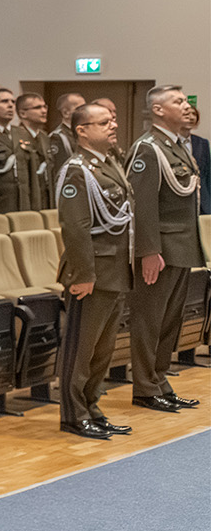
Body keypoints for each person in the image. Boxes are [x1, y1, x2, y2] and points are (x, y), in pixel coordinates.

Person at [54, 103, 136, 439]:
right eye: (103, 122)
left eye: (113, 120)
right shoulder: (77, 170)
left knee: (103, 350)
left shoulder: (109, 163)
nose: (112, 125)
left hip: (115, 270)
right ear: (82, 131)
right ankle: (74, 414)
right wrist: (84, 273)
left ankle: (91, 406)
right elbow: (75, 227)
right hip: (92, 273)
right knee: (82, 348)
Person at [126, 85, 203, 412]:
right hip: (159, 250)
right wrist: (147, 251)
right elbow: (142, 204)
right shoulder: (147, 149)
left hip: (182, 246)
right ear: (158, 110)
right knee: (149, 321)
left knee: (170, 321)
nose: (186, 106)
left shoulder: (177, 147)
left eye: (186, 101)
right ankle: (144, 386)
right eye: (178, 101)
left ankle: (159, 380)